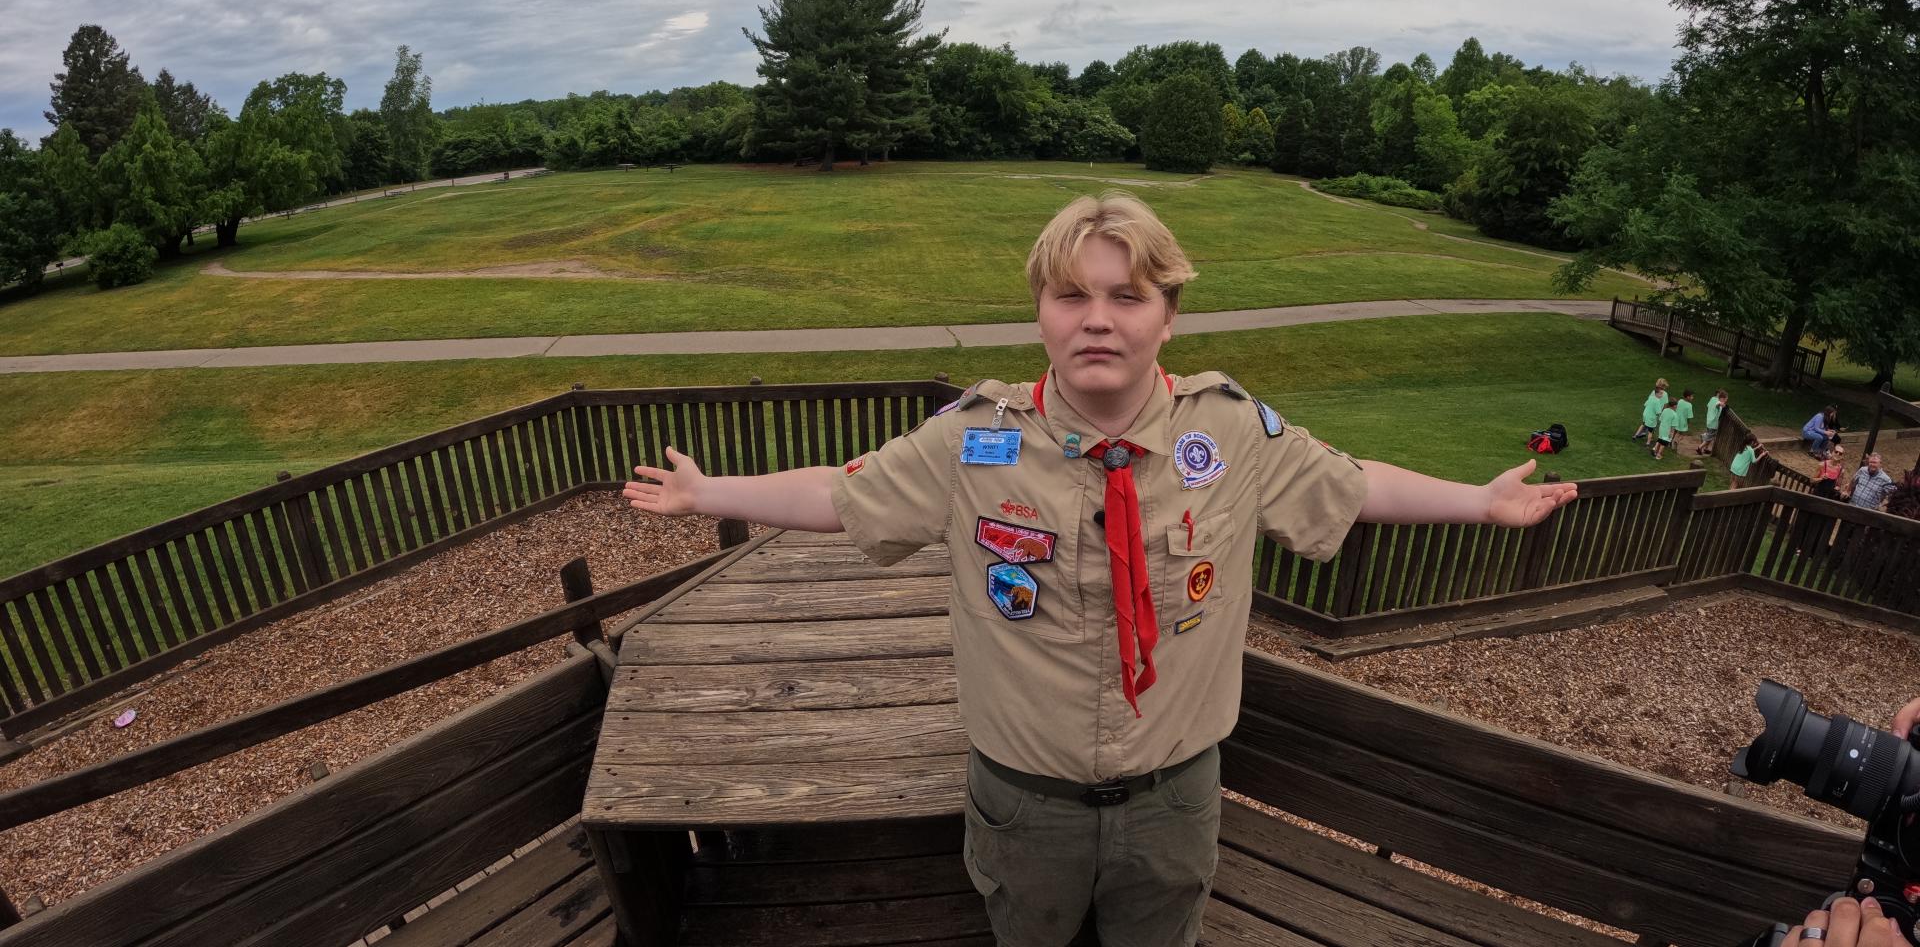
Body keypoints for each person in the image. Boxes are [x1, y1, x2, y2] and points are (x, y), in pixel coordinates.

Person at [622, 193, 1579, 947]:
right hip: (1022, 801)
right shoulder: (975, 440)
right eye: (1071, 295)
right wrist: (712, 494)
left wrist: (1480, 501)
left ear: (1168, 316)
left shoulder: (1231, 429)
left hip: (1175, 798)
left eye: (1128, 296)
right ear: (1040, 311)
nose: (1098, 320)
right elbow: (845, 494)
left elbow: (1352, 484)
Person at [1633, 379, 1669, 446]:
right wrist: (1663, 412)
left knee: (1645, 423)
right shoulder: (1665, 394)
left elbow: (1648, 401)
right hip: (1656, 412)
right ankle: (1648, 439)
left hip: (1649, 412)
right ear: (1663, 386)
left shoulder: (1654, 392)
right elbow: (1665, 404)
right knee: (1652, 426)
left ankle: (1640, 434)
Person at [1698, 389, 1730, 455]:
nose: (1726, 401)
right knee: (1710, 438)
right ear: (1722, 398)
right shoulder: (1718, 402)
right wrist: (1721, 404)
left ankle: (1706, 448)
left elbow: (1709, 406)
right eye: (1725, 399)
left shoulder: (1712, 399)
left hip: (1709, 421)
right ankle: (1700, 447)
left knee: (1710, 436)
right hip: (1713, 424)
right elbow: (1717, 404)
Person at [1654, 396, 1682, 461]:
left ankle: (1655, 452)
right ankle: (1658, 455)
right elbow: (1673, 426)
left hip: (1662, 428)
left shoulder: (1665, 410)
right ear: (1674, 406)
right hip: (1668, 431)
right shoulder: (1674, 415)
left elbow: (1660, 419)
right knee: (1663, 443)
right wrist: (1671, 433)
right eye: (1676, 405)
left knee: (1659, 440)